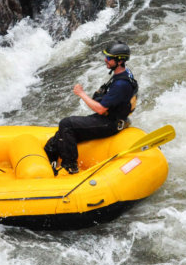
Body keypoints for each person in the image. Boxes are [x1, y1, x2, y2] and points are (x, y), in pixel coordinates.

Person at [44, 40, 139, 175]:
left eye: (109, 58)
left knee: (66, 123)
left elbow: (100, 109)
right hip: (109, 118)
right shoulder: (123, 73)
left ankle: (70, 166)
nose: (105, 60)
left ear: (119, 61)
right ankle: (50, 159)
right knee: (56, 140)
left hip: (109, 124)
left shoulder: (121, 84)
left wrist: (81, 94)